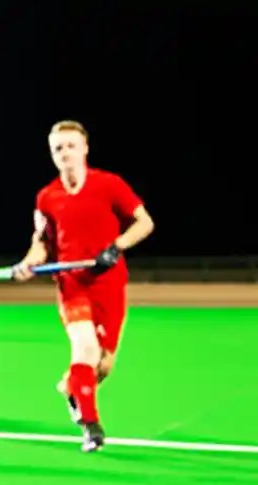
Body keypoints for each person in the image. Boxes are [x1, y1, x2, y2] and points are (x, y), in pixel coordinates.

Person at [12, 120, 154, 452]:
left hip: (109, 281)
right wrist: (28, 263)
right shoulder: (47, 197)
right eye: (58, 148)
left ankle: (72, 387)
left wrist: (116, 246)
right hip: (72, 285)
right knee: (85, 350)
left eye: (70, 146)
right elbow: (41, 244)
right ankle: (91, 426)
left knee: (103, 364)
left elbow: (145, 222)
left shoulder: (109, 184)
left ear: (85, 149)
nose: (65, 153)